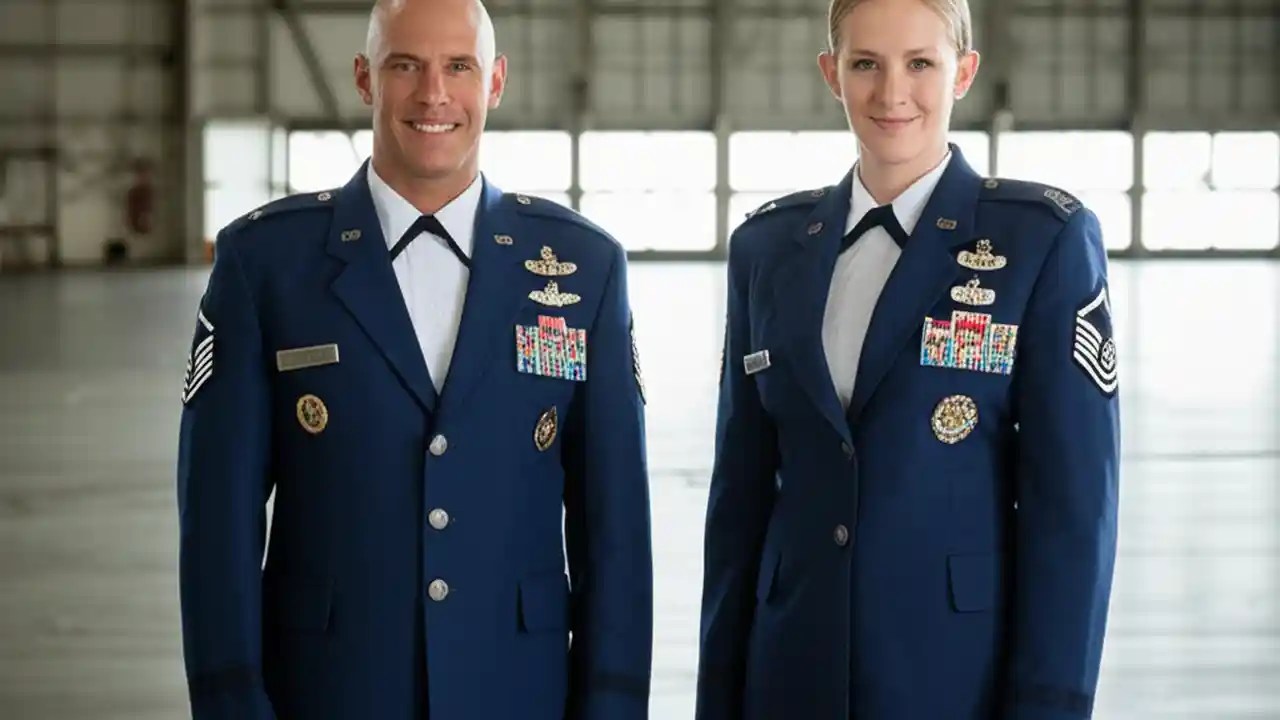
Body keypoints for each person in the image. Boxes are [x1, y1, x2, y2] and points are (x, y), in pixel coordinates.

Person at [175, 0, 653, 718]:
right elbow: (218, 522)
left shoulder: (582, 268)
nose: (434, 95)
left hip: (517, 692)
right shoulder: (267, 264)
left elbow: (615, 530)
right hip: (330, 693)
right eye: (406, 66)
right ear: (366, 79)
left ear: (494, 82)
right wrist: (231, 701)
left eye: (457, 67)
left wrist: (611, 705)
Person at [695, 0, 1119, 717]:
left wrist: (1050, 703)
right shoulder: (768, 249)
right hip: (789, 673)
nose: (892, 93)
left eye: (920, 63)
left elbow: (1073, 517)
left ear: (964, 73)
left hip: (954, 677)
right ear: (832, 73)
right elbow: (738, 502)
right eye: (866, 63)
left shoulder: (1039, 243)